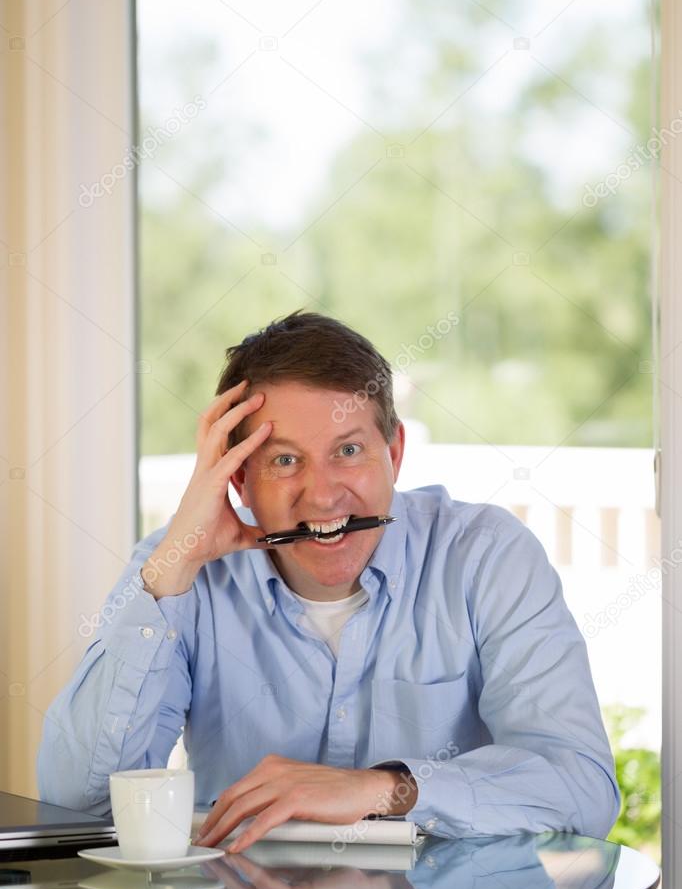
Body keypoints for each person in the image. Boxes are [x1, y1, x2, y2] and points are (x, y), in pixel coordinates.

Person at [37, 311, 620, 852]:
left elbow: (582, 789)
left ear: (393, 452)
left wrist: (384, 790)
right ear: (238, 478)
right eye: (284, 460)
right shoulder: (177, 570)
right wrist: (168, 575)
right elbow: (76, 802)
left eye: (348, 450)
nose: (322, 495)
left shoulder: (486, 556)